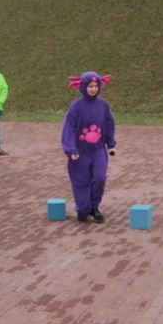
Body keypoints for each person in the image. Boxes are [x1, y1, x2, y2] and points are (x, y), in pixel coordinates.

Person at [61, 71, 117, 223]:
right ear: (83, 86)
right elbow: (69, 129)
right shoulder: (76, 107)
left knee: (99, 178)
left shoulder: (103, 105)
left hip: (98, 150)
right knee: (82, 181)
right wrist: (71, 149)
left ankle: (94, 207)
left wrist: (110, 144)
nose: (93, 89)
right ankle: (84, 208)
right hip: (80, 152)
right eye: (90, 86)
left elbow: (109, 124)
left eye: (95, 86)